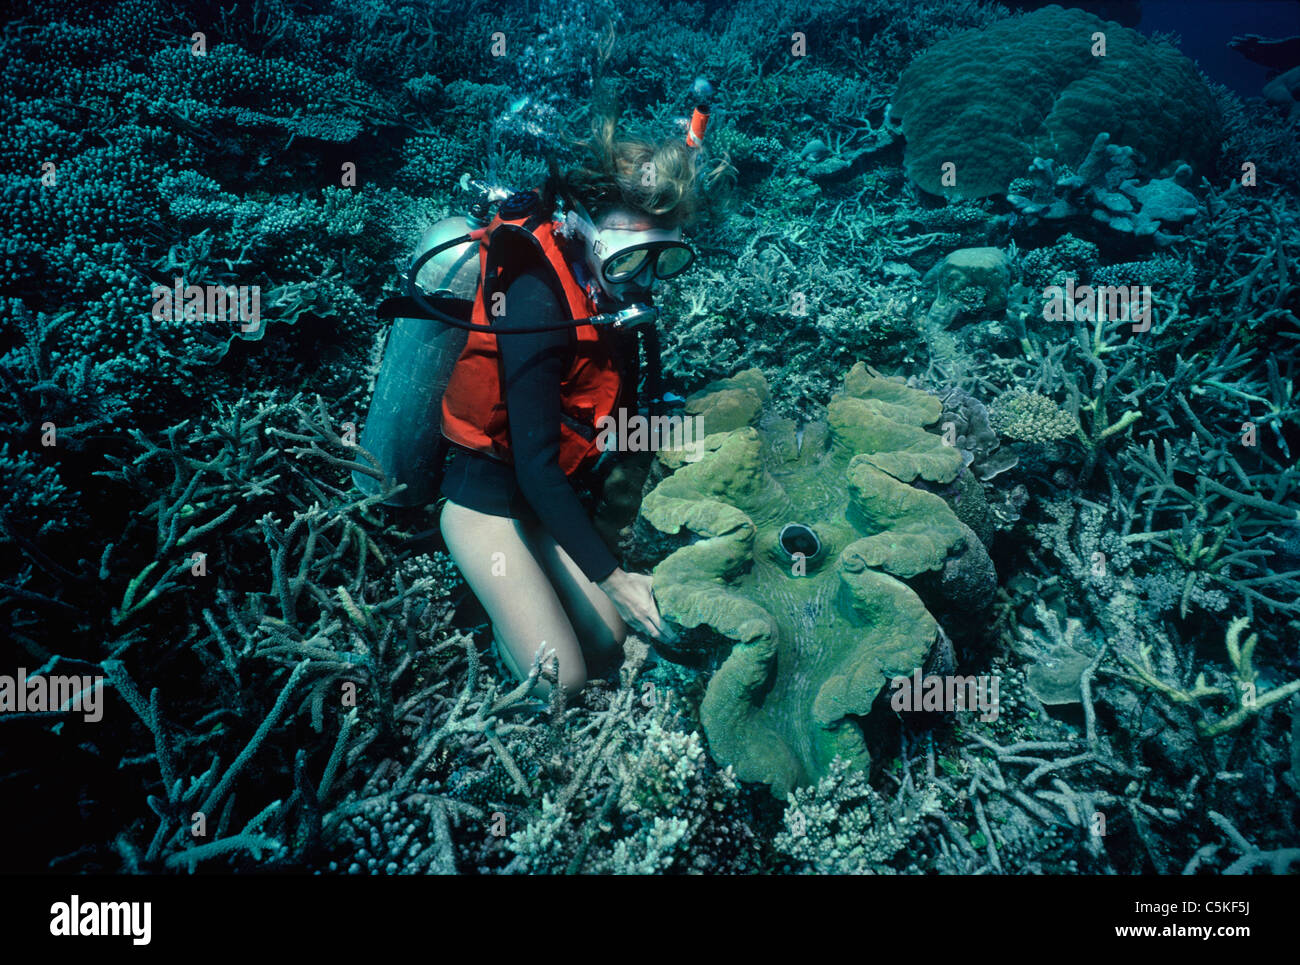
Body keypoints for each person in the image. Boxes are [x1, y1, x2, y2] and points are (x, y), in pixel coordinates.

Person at [437, 114, 705, 698]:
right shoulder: (535, 295)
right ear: (580, 230)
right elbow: (533, 464)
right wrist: (616, 579)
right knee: (561, 682)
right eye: (629, 260)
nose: (642, 282)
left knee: (609, 642)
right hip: (483, 496)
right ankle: (479, 620)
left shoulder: (606, 295)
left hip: (543, 498)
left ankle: (521, 597)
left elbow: (614, 414)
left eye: (662, 260)